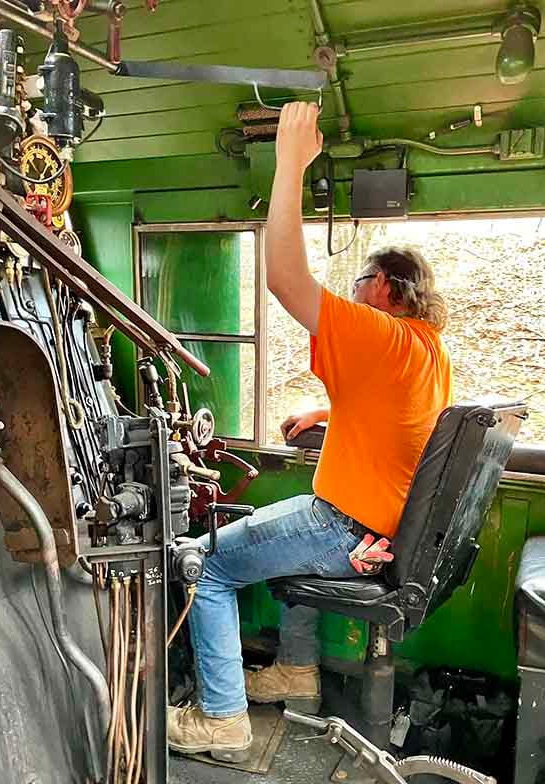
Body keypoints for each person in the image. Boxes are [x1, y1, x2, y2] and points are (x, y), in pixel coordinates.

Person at [167, 102, 453, 762]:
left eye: (359, 282)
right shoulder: (425, 348)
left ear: (383, 286)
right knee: (273, 530)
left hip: (343, 526)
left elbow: (284, 278)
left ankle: (221, 720)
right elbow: (400, 416)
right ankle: (295, 671)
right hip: (372, 523)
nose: (352, 294)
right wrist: (326, 415)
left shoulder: (379, 332)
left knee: (203, 563)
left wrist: (289, 163)